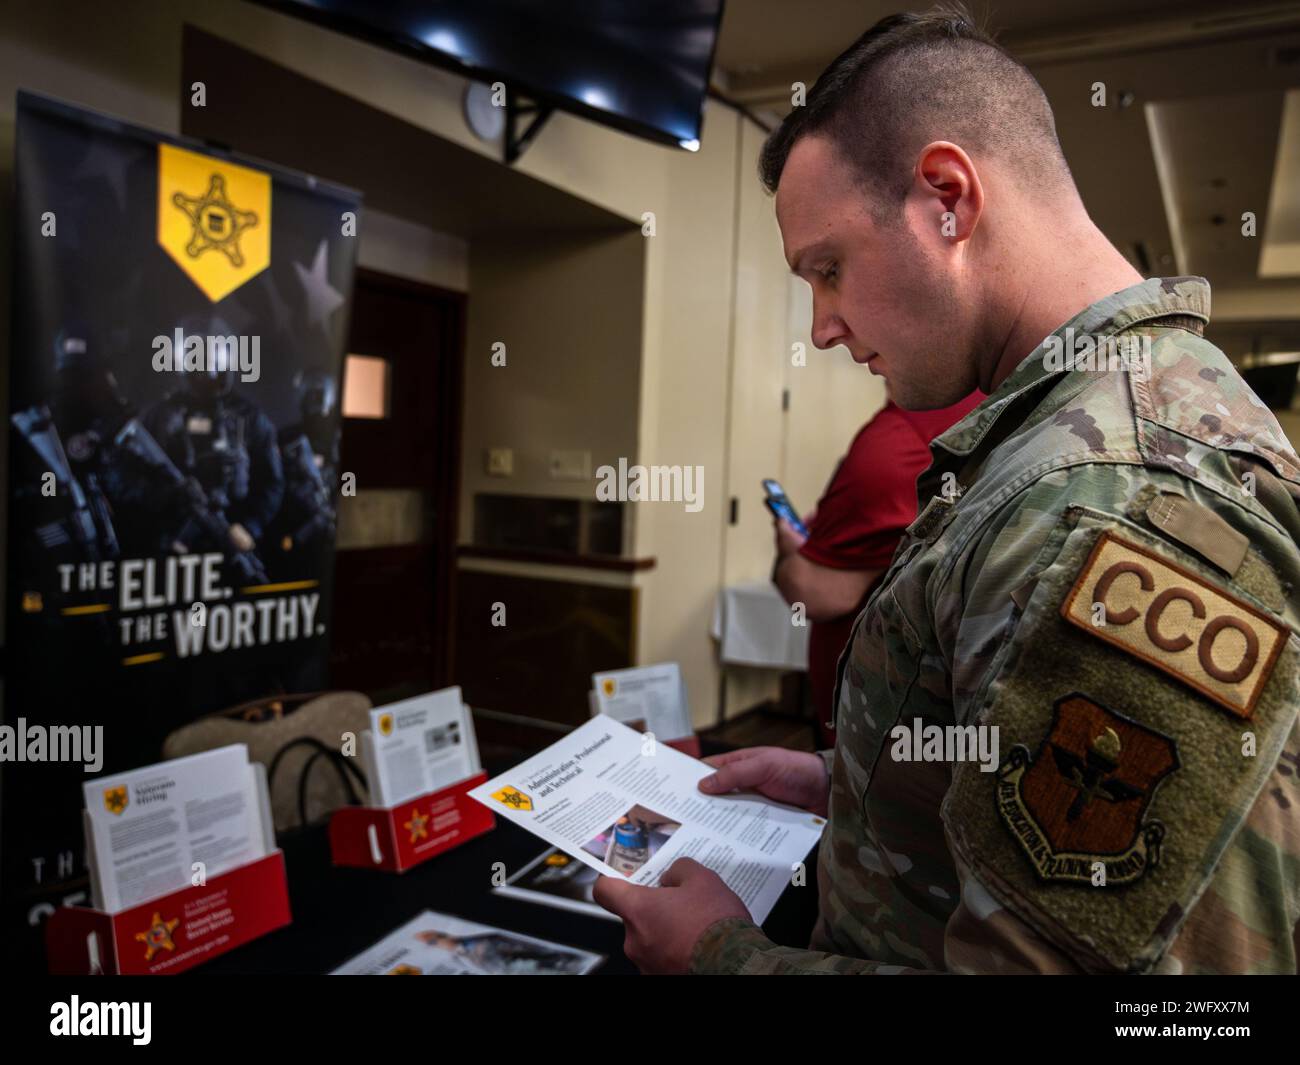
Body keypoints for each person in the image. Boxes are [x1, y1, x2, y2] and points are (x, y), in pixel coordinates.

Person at [593, 5, 1300, 974]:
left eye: (828, 269)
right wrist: (863, 786)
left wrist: (718, 958)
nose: (822, 327)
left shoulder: (1111, 497)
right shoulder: (1060, 431)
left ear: (946, 199)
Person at [773, 384, 981, 745]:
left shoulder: (900, 442)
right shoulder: (991, 410)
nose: (823, 337)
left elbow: (813, 593)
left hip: (875, 735)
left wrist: (787, 553)